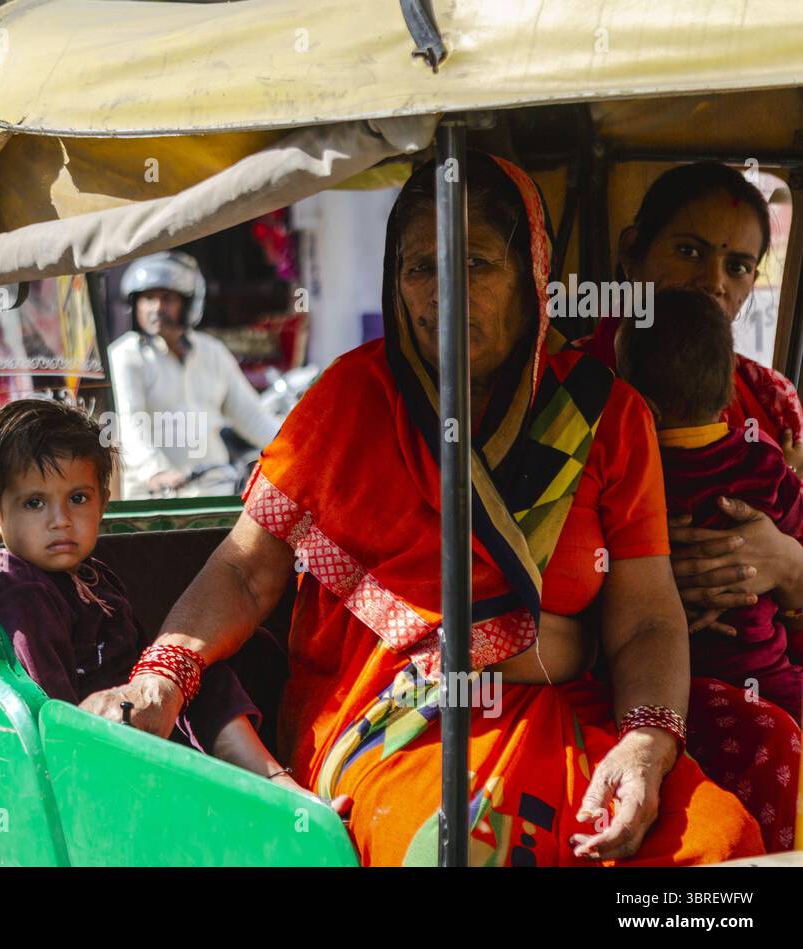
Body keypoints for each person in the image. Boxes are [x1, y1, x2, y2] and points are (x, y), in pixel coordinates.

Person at [82, 152, 763, 866]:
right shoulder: (350, 398)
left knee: (722, 848)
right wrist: (162, 674)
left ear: (532, 275)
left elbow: (648, 617)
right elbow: (247, 572)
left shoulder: (603, 414)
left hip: (564, 720)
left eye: (475, 264)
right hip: (399, 723)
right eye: (419, 269)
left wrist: (647, 742)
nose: (444, 295)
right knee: (470, 848)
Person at [577, 162, 802, 852]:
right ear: (630, 251)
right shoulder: (571, 391)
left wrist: (783, 563)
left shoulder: (774, 403)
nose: (713, 281)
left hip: (767, 668)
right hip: (612, 687)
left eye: (738, 266)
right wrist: (647, 584)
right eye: (689, 250)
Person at [0, 398, 322, 787]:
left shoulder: (95, 575)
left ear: (103, 504)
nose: (61, 521)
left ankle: (275, 778)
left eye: (78, 499)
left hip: (140, 716)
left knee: (199, 666)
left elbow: (144, 656)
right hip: (100, 748)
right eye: (34, 503)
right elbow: (53, 714)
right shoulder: (23, 592)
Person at [618, 288, 803, 720]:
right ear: (727, 399)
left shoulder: (630, 472)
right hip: (762, 668)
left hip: (659, 679)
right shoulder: (764, 459)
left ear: (639, 406)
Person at [108, 251, 281, 498]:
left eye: (167, 298)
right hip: (152, 499)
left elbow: (251, 415)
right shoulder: (126, 355)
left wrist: (292, 449)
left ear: (189, 303)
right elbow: (129, 420)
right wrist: (156, 472)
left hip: (215, 490)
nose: (156, 308)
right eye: (147, 298)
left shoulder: (212, 352)